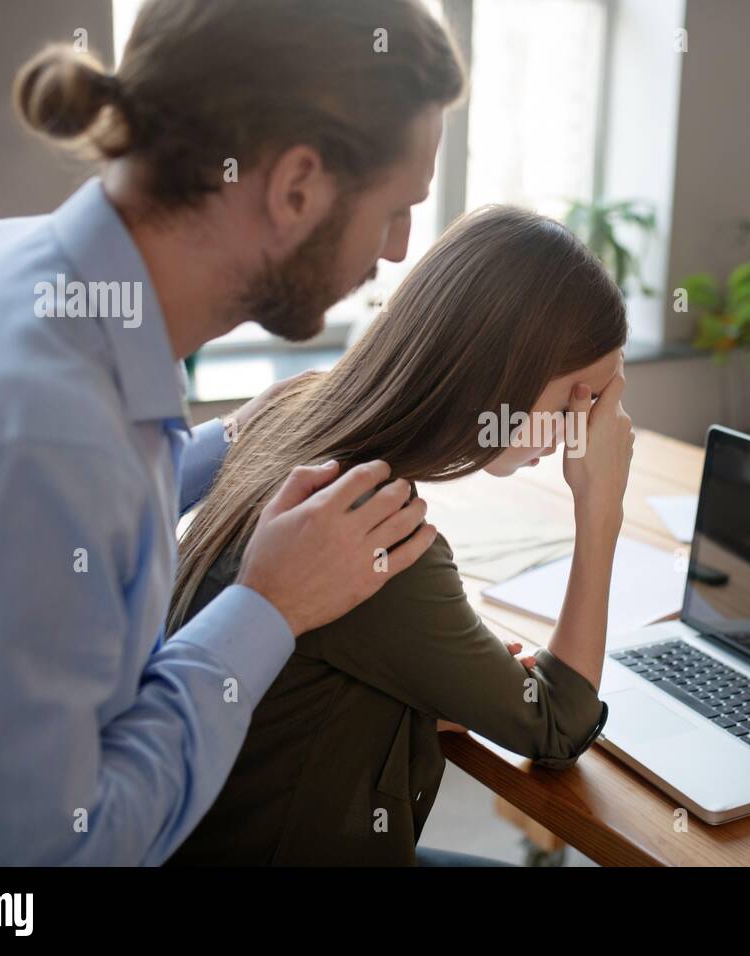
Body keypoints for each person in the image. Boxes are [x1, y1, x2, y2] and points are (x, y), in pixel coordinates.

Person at [0, 0, 464, 864]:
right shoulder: (43, 446)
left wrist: (229, 444)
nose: (397, 250)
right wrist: (268, 608)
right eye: (395, 210)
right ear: (296, 187)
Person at [166, 205, 634, 865]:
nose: (577, 432)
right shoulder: (369, 531)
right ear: (503, 373)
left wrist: (431, 673)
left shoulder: (288, 409)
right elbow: (557, 724)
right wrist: (601, 505)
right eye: (572, 404)